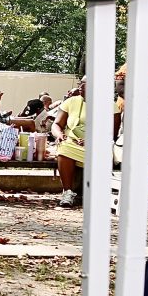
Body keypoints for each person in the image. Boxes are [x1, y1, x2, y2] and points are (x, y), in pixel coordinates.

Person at [52, 79, 88, 208]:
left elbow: (111, 132)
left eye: (85, 84)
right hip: (72, 141)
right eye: (80, 84)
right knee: (64, 149)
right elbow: (56, 124)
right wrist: (59, 135)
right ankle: (67, 192)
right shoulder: (71, 101)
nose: (81, 87)